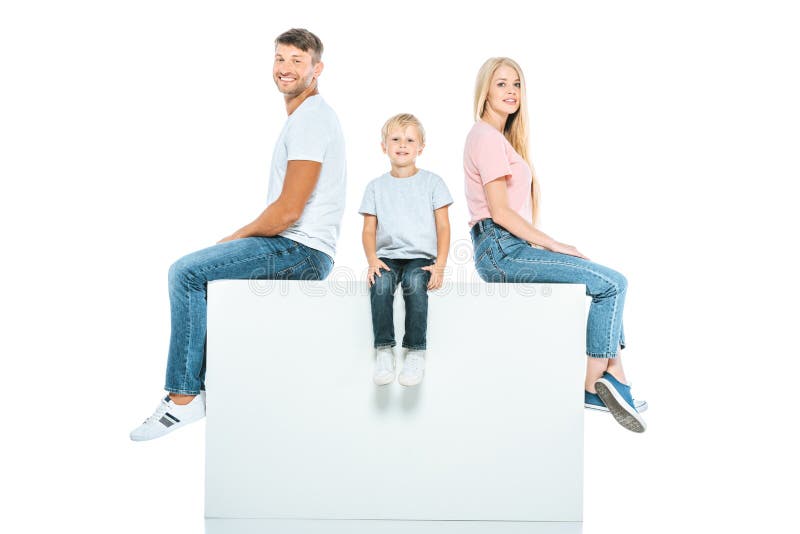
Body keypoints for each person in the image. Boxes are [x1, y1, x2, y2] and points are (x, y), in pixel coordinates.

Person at [130, 28, 346, 441]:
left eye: (297, 61)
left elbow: (288, 211)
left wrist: (235, 238)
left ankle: (183, 398)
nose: (285, 69)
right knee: (200, 275)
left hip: (300, 250)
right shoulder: (305, 118)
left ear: (317, 70)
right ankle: (211, 388)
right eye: (280, 59)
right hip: (298, 247)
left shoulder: (313, 120)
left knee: (187, 273)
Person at [463, 57, 647, 432]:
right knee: (613, 284)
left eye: (516, 84)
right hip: (502, 248)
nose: (511, 91)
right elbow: (499, 211)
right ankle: (594, 386)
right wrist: (553, 244)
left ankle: (618, 379)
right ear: (485, 91)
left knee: (604, 278)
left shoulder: (497, 139)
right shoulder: (484, 136)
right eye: (501, 84)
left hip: (507, 246)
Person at [359, 113, 452, 387]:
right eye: (395, 139)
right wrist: (372, 259)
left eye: (410, 140)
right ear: (383, 146)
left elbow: (444, 228)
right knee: (381, 284)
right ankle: (384, 350)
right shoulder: (375, 187)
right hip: (387, 256)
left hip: (421, 257)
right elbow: (368, 230)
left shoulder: (433, 183)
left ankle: (415, 352)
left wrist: (441, 265)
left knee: (413, 283)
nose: (402, 145)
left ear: (420, 147)